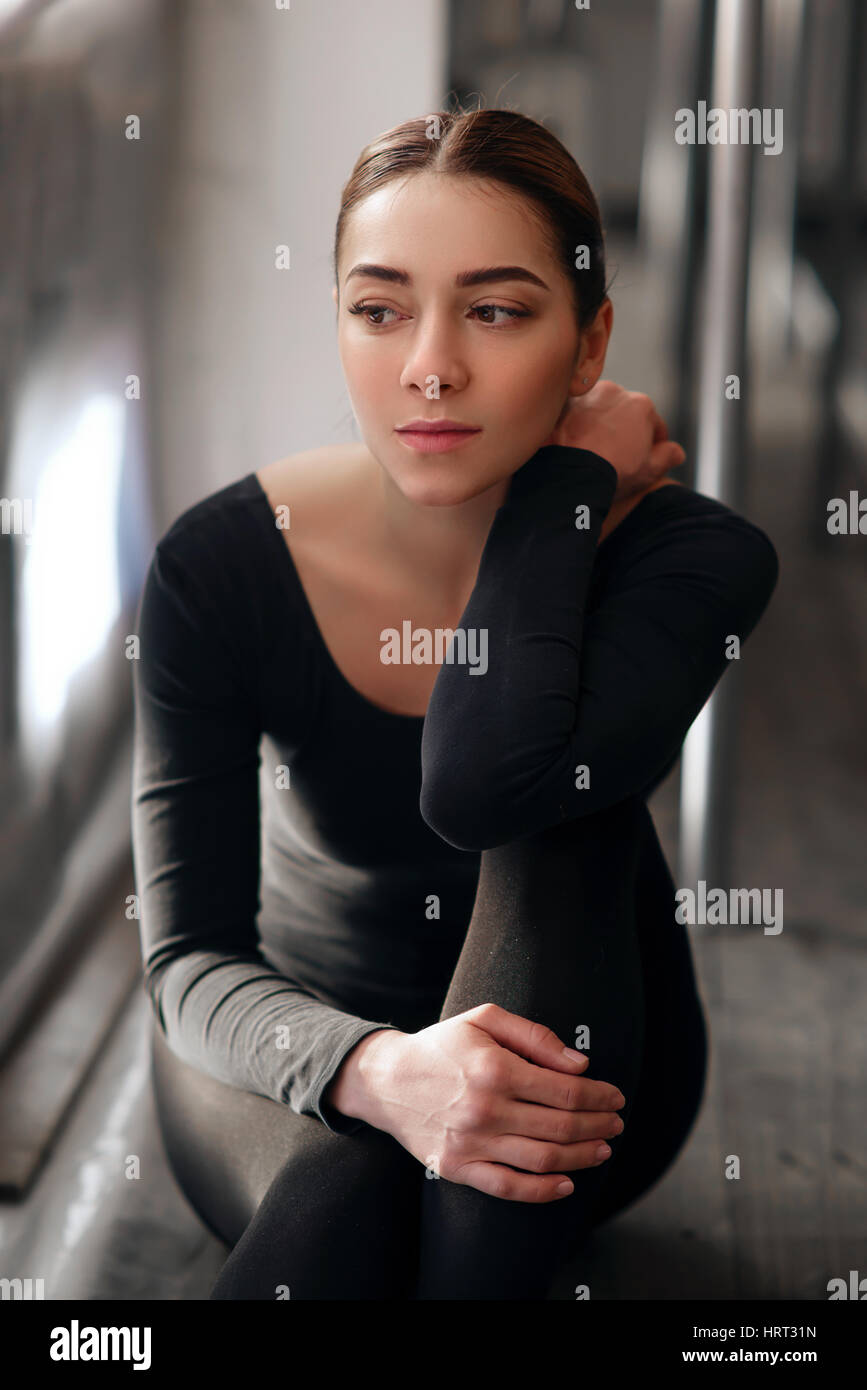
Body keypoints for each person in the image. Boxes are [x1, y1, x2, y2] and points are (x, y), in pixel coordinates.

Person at [132, 107, 779, 1300]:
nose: (429, 364)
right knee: (347, 1188)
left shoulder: (696, 558)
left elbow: (483, 780)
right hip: (282, 1043)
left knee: (553, 793)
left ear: (590, 351)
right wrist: (377, 1070)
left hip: (581, 1076)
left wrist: (563, 496)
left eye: (496, 309)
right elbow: (186, 959)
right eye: (380, 309)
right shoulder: (223, 566)